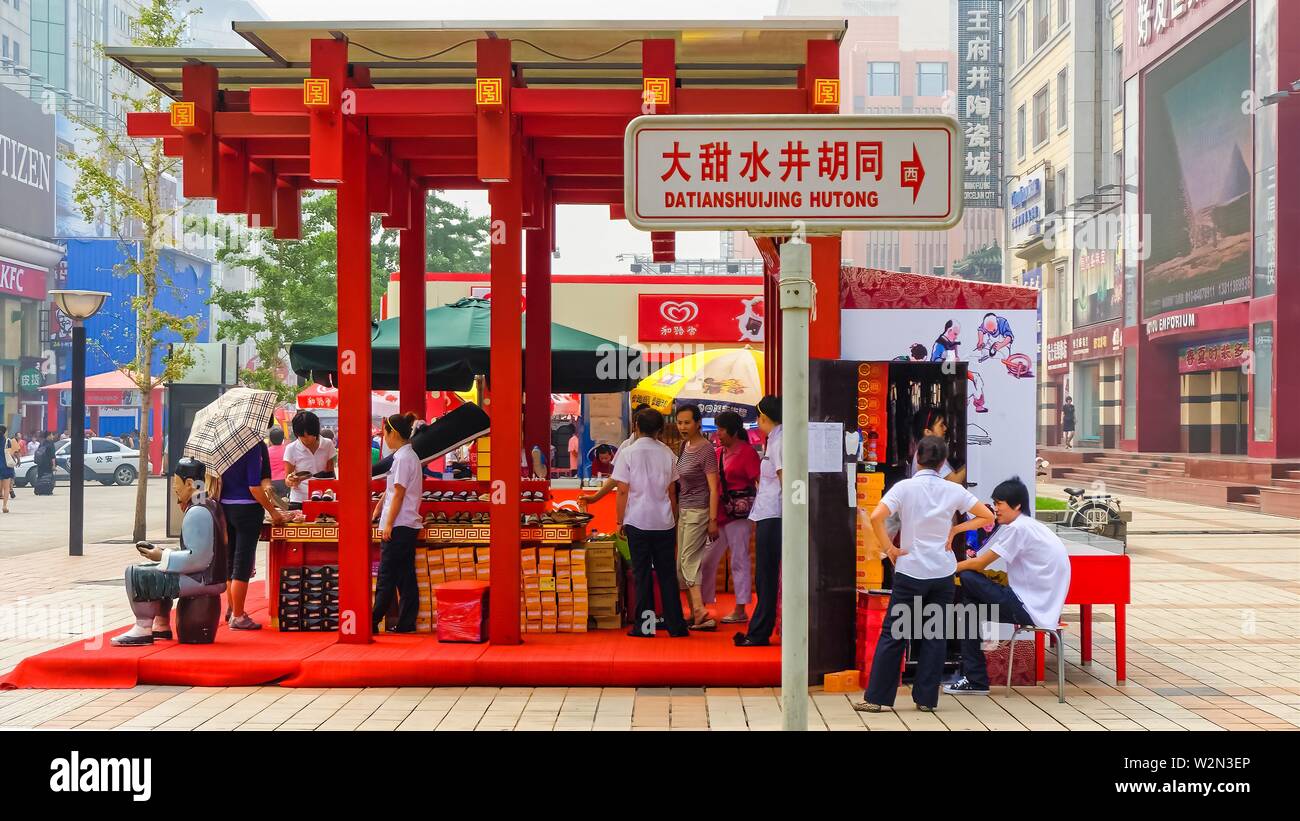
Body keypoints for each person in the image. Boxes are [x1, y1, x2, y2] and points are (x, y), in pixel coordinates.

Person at [854, 436, 994, 713]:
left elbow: (875, 517)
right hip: (942, 571)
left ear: (917, 457)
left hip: (910, 569)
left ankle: (877, 698)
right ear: (942, 462)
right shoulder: (953, 489)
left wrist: (889, 548)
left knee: (895, 633)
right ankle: (926, 699)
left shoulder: (904, 487)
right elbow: (986, 517)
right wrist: (955, 531)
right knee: (935, 635)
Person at [943, 477, 1072, 694]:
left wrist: (945, 569)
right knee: (968, 610)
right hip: (1037, 606)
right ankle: (975, 681)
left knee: (967, 578)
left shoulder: (1018, 528)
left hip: (1029, 607)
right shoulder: (1028, 526)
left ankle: (975, 679)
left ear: (1017, 505)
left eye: (999, 504)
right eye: (994, 504)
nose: (995, 509)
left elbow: (980, 563)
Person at [111, 458, 228, 646]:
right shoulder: (209, 503)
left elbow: (198, 559)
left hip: (204, 578)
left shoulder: (197, 511)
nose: (174, 488)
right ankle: (161, 624)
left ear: (190, 484)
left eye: (176, 483)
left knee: (137, 574)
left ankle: (143, 628)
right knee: (158, 568)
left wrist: (162, 555)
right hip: (209, 575)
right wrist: (164, 554)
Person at [611, 407, 688, 638]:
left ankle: (645, 627)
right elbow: (673, 492)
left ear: (636, 427)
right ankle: (676, 626)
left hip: (637, 520)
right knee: (667, 574)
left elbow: (622, 491)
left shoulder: (628, 453)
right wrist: (673, 518)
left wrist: (619, 520)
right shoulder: (668, 454)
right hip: (664, 521)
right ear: (660, 430)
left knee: (642, 574)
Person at [699, 410, 760, 624]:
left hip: (740, 515)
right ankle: (703, 606)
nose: (718, 433)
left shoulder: (747, 453)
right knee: (707, 560)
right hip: (720, 514)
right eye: (717, 429)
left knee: (739, 559)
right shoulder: (717, 453)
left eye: (722, 429)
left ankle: (740, 608)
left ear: (734, 431)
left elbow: (759, 482)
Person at [218, 440, 284, 630]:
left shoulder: (224, 445)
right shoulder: (251, 446)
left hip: (225, 508)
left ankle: (232, 610)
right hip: (247, 510)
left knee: (231, 563)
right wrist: (273, 512)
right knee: (242, 564)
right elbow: (254, 487)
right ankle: (238, 616)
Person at [735, 395, 784, 647]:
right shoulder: (774, 440)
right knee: (764, 575)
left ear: (764, 417)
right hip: (769, 514)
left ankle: (759, 631)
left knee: (766, 575)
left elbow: (785, 482)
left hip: (775, 516)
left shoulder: (780, 442)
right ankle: (759, 628)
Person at [371, 412, 422, 633]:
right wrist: (378, 509)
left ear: (393, 433)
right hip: (406, 523)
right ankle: (406, 623)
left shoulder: (402, 458)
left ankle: (373, 619)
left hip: (399, 524)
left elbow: (399, 493)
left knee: (387, 574)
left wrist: (388, 524)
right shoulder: (406, 456)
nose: (385, 437)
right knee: (404, 575)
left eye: (385, 433)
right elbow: (392, 491)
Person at [671, 404, 720, 630]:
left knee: (689, 560)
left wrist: (712, 519)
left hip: (699, 511)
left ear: (698, 423)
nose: (682, 426)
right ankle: (695, 612)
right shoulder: (685, 445)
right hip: (684, 510)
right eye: (680, 422)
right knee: (681, 562)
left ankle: (700, 611)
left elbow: (713, 487)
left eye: (687, 422)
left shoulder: (706, 449)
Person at [577, 403, 651, 507]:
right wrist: (594, 498)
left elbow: (671, 490)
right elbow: (616, 478)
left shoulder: (664, 453)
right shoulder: (626, 447)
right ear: (635, 425)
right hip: (633, 506)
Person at [284, 411, 337, 507]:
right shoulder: (291, 448)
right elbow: (287, 479)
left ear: (315, 431)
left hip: (322, 498)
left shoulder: (327, 444)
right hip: (299, 499)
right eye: (301, 436)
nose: (305, 439)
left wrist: (332, 492)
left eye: (309, 435)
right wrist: (291, 480)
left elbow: (330, 473)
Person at [908, 407, 966, 484]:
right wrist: (973, 461)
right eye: (941, 425)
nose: (945, 428)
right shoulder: (930, 452)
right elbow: (955, 481)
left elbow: (954, 475)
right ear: (928, 432)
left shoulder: (926, 451)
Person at [266, 426, 289, 497]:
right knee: (285, 502)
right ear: (282, 438)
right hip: (285, 481)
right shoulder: (287, 449)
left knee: (274, 503)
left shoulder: (266, 452)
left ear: (270, 439)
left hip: (271, 481)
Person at [0, 425, 17, 513]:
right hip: (5, 466)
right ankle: (4, 506)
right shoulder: (8, 441)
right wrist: (17, 460)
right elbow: (12, 454)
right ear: (5, 432)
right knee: (6, 488)